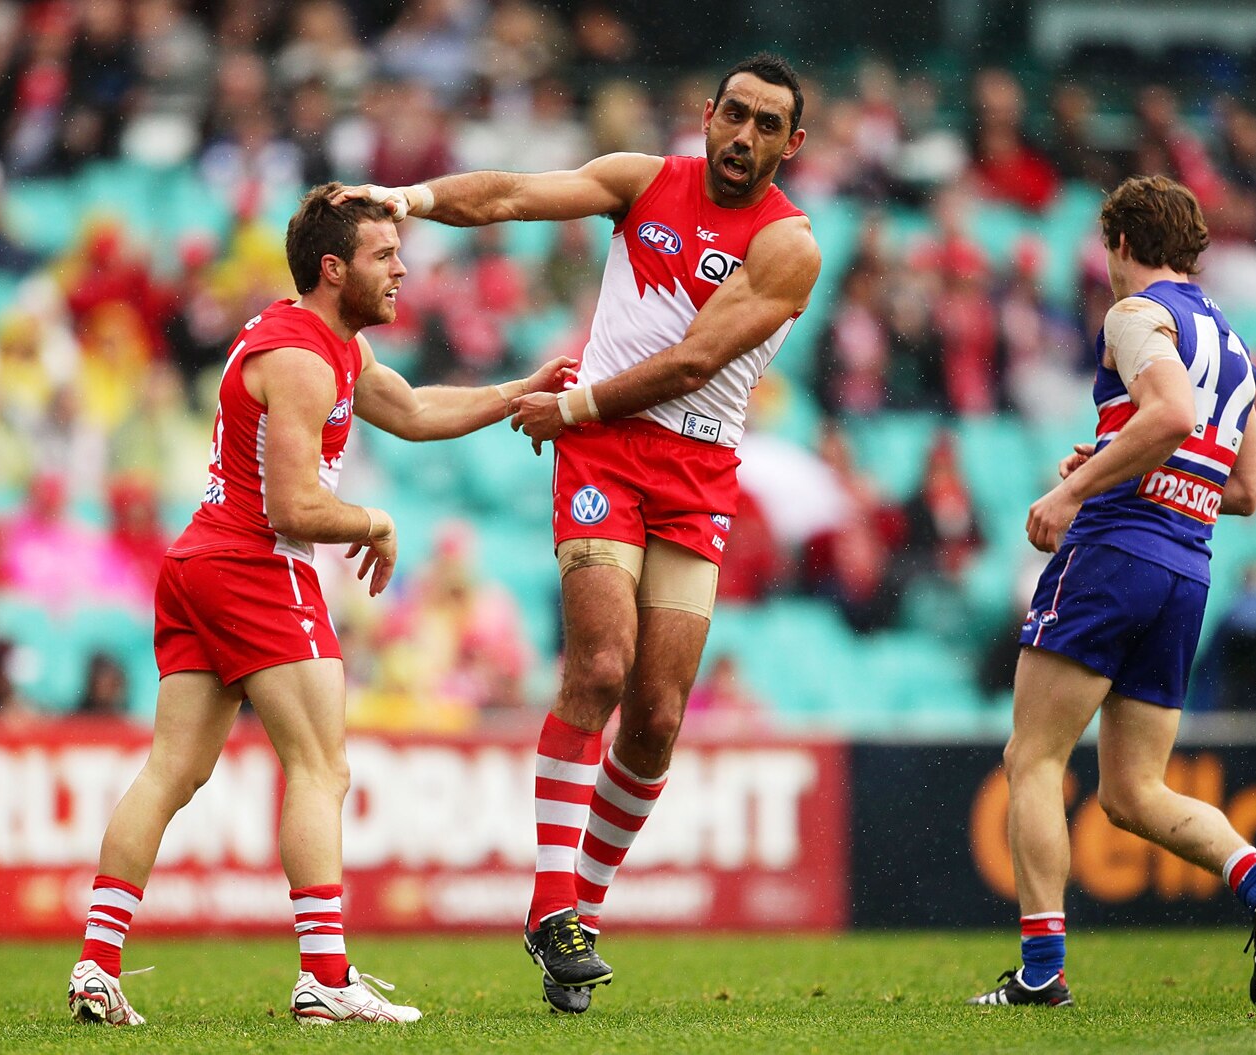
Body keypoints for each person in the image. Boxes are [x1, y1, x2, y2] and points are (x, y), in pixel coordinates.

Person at [340, 52, 819, 1014]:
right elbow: (516, 192)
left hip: (693, 469)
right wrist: (413, 196)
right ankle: (552, 904)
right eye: (735, 114)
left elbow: (692, 362)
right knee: (598, 667)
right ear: (707, 110)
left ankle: (578, 918)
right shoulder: (643, 181)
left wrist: (578, 404)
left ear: (791, 144)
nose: (744, 137)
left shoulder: (789, 247)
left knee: (657, 717)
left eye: (768, 126)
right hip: (603, 454)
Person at [65, 184, 577, 1027]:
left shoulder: (320, 340)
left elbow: (411, 410)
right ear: (334, 269)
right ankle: (325, 976)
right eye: (384, 256)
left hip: (199, 558)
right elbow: (293, 506)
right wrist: (376, 520)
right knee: (321, 767)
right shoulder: (304, 358)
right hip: (257, 561)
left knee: (173, 769)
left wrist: (516, 390)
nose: (402, 268)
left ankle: (96, 964)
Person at [968, 175, 1256, 1010]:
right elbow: (1244, 489)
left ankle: (1041, 974)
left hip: (1115, 554)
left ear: (1120, 245)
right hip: (1186, 569)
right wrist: (1103, 461)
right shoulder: (1233, 343)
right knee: (1131, 791)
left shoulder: (1135, 315)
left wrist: (1074, 490)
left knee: (1033, 757)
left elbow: (1164, 413)